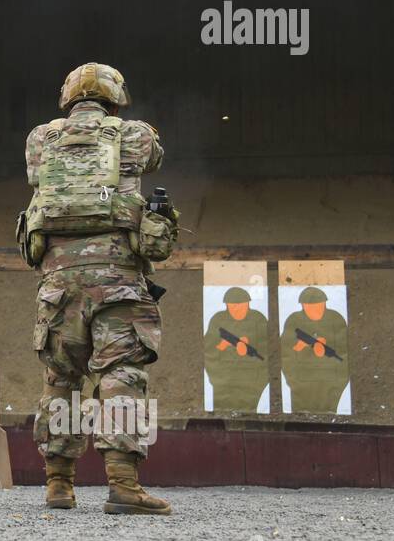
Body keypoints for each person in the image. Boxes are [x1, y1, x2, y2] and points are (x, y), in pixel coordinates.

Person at [22, 62, 176, 515]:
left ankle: (58, 485)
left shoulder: (39, 139)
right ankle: (123, 486)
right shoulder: (134, 134)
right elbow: (155, 156)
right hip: (118, 280)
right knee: (122, 376)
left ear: (67, 98)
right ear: (116, 96)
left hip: (58, 283)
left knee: (61, 380)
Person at [280, 286, 351, 413]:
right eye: (309, 306)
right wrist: (299, 347)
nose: (314, 309)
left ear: (324, 303)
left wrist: (339, 384)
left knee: (329, 413)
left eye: (318, 305)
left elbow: (345, 354)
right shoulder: (294, 320)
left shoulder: (336, 319)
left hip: (330, 379)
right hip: (302, 379)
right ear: (302, 305)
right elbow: (284, 353)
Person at [203, 286, 271, 412]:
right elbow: (208, 349)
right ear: (227, 305)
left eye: (241, 305)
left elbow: (268, 350)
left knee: (250, 413)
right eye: (233, 306)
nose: (237, 309)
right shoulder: (218, 319)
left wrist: (260, 381)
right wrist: (222, 346)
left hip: (251, 379)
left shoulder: (258, 319)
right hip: (224, 379)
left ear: (248, 304)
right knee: (222, 413)